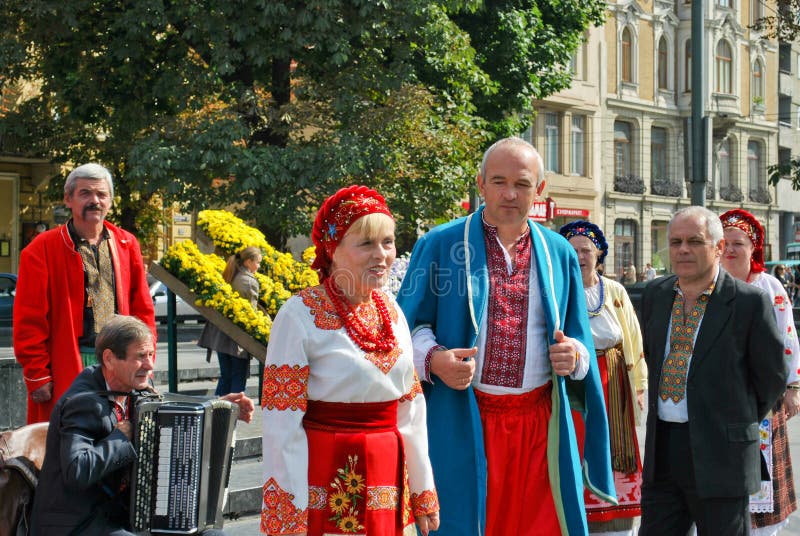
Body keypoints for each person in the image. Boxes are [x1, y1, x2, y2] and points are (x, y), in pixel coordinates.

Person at [397, 137, 615, 536]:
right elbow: (404, 326)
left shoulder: (559, 252)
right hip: (464, 418)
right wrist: (434, 360)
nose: (510, 193)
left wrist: (575, 357)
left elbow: (579, 335)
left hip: (540, 426)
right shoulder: (440, 244)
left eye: (522, 183)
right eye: (498, 181)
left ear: (540, 190)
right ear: (480, 184)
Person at [260, 185, 439, 536]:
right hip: (328, 475)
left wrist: (422, 491)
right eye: (366, 244)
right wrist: (289, 515)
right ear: (333, 249)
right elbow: (282, 424)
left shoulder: (391, 310)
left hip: (389, 472)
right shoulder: (299, 315)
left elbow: (411, 409)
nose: (382, 255)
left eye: (388, 242)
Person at [30, 314, 254, 535]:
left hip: (130, 515)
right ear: (109, 358)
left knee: (213, 534)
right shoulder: (83, 403)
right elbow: (76, 471)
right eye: (140, 356)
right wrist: (120, 438)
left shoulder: (135, 386)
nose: (149, 365)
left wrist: (215, 406)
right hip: (80, 522)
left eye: (151, 354)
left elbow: (166, 405)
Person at [638, 206, 787, 536]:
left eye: (694, 241)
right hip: (663, 451)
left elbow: (772, 377)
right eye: (675, 242)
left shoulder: (749, 302)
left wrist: (734, 419)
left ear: (718, 248)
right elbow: (652, 357)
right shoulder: (656, 295)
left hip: (722, 454)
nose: (683, 250)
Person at [13, 163, 156, 425]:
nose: (94, 201)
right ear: (68, 199)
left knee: (119, 439)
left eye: (101, 195)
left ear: (110, 202)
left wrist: (146, 359)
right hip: (68, 361)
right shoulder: (40, 249)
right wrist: (38, 375)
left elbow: (142, 310)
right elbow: (28, 321)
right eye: (85, 193)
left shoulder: (127, 244)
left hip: (121, 362)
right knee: (69, 441)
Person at [560, 220, 647, 535]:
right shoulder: (558, 289)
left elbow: (633, 340)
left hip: (613, 379)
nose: (580, 256)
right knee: (578, 441)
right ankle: (580, 509)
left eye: (586, 250)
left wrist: (638, 387)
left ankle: (616, 516)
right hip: (574, 382)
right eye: (573, 251)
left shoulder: (615, 290)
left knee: (614, 443)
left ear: (599, 254)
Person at [719, 209, 800, 535]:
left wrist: (794, 386)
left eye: (739, 243)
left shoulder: (769, 286)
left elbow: (788, 337)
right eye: (725, 242)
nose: (731, 249)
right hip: (718, 396)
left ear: (754, 248)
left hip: (762, 396)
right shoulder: (709, 283)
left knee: (763, 474)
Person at [198, 246, 263, 395]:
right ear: (248, 262)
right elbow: (251, 314)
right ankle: (235, 413)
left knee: (226, 376)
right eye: (257, 262)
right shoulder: (249, 281)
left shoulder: (230, 274)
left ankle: (219, 413)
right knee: (238, 377)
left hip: (221, 334)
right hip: (237, 338)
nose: (259, 266)